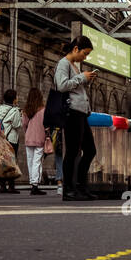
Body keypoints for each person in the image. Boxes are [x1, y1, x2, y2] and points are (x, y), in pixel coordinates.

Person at [55, 35, 97, 202]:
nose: (85, 57)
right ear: (75, 49)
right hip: (72, 112)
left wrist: (84, 79)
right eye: (84, 53)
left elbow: (74, 86)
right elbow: (61, 85)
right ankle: (69, 190)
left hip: (80, 112)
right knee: (72, 152)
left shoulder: (74, 66)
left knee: (90, 150)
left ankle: (80, 186)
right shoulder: (63, 64)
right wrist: (82, 78)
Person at [0, 89, 22, 193]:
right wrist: (21, 116)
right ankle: (11, 186)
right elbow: (17, 125)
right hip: (12, 139)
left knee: (2, 161)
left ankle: (2, 185)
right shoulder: (15, 111)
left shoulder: (0, 108)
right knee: (12, 162)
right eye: (17, 97)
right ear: (14, 99)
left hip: (1, 137)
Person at [22, 88, 47, 195]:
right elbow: (46, 124)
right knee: (37, 161)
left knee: (30, 161)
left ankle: (32, 182)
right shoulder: (43, 110)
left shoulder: (26, 110)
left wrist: (27, 132)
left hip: (29, 138)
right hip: (40, 138)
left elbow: (24, 124)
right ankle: (35, 185)